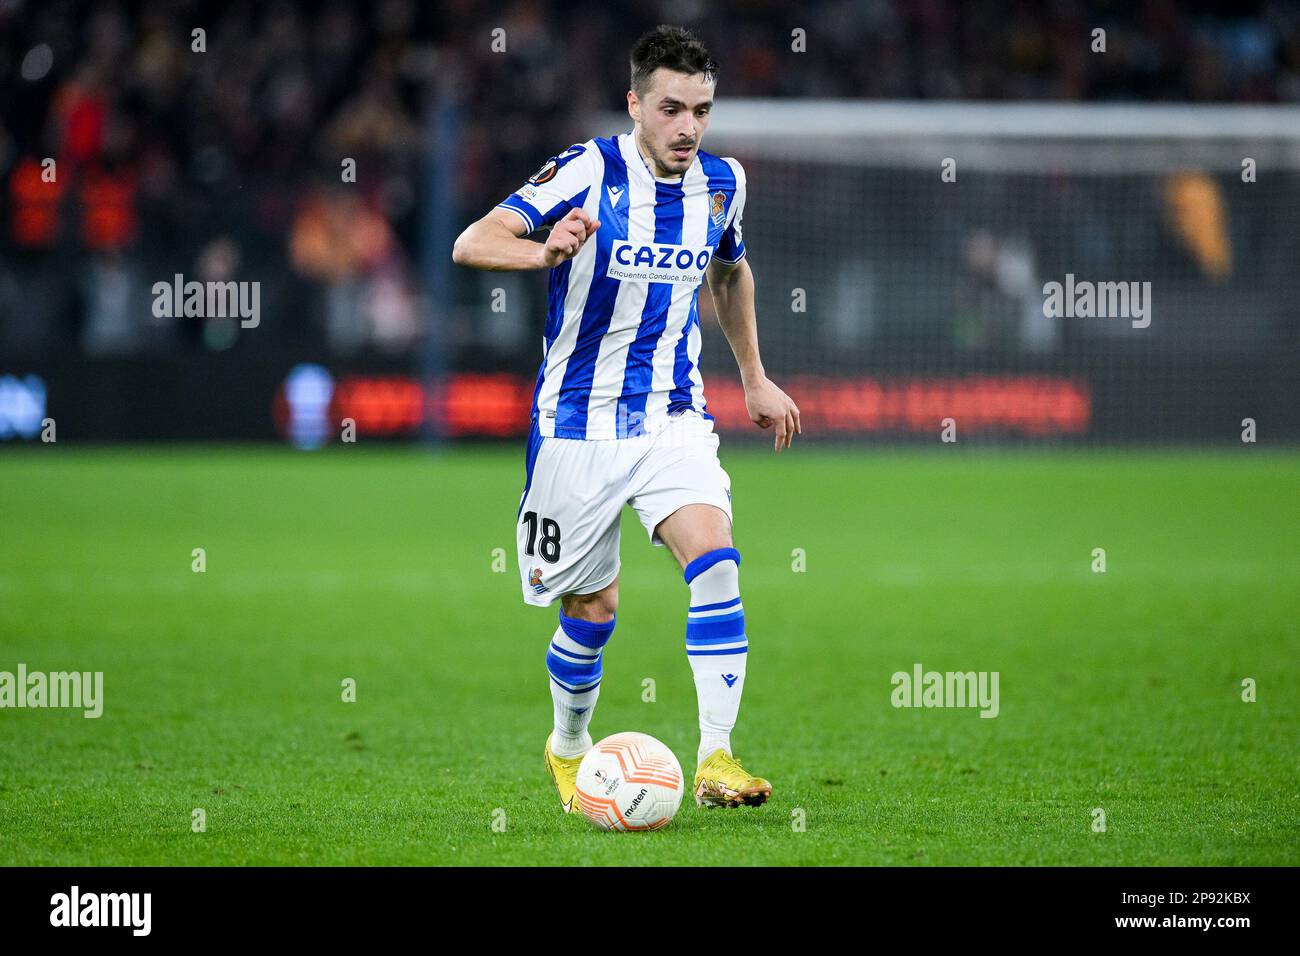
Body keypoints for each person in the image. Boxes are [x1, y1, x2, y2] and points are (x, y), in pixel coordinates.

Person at [452, 24, 800, 812]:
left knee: (715, 561)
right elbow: (473, 242)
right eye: (672, 108)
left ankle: (717, 757)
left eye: (702, 110)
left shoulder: (722, 184)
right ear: (635, 103)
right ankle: (568, 747)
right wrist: (541, 254)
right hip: (575, 425)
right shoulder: (584, 170)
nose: (688, 127)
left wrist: (753, 377)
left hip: (672, 416)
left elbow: (731, 270)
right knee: (593, 610)